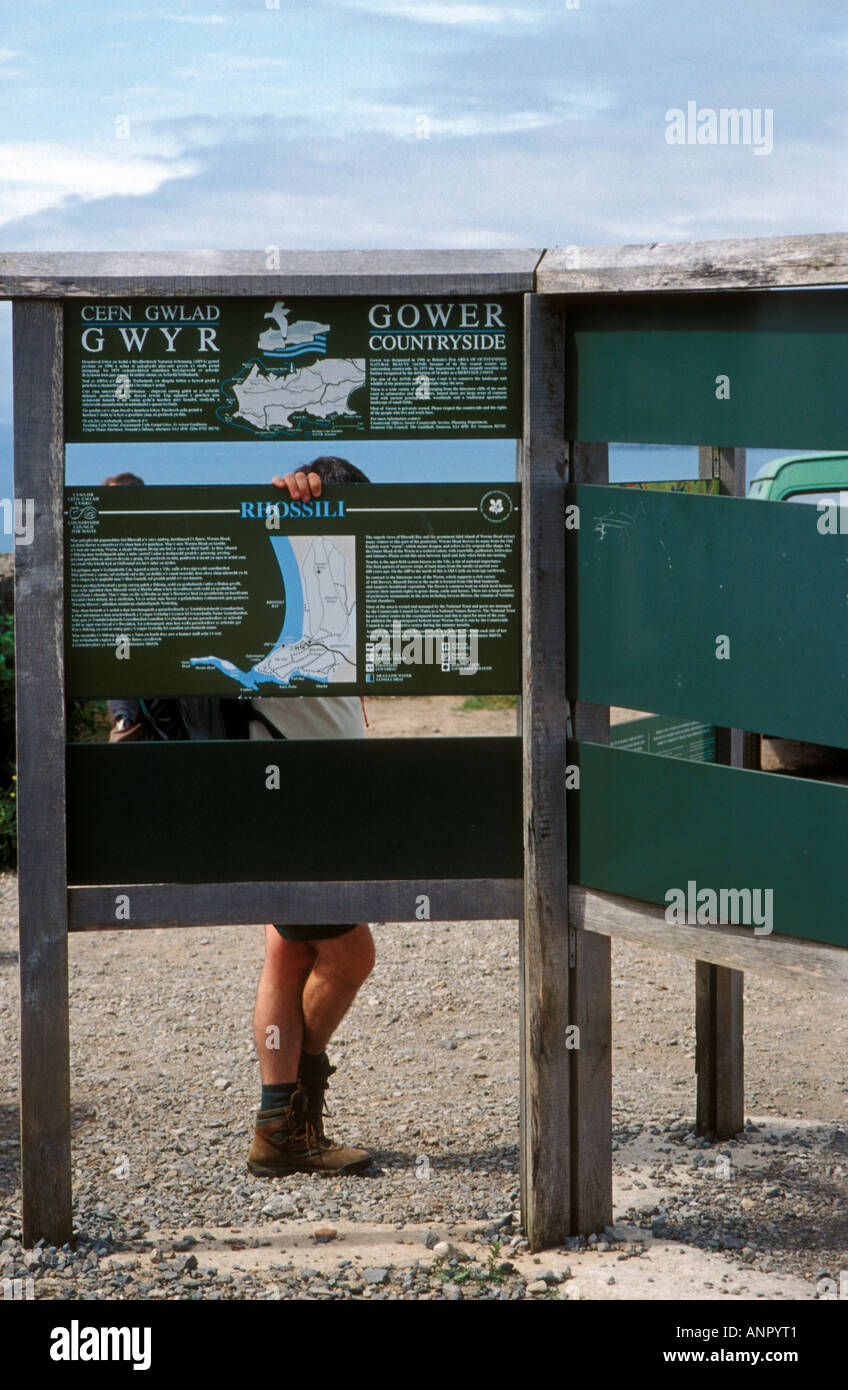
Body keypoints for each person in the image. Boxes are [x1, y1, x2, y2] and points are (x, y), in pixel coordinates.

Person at [247, 457, 376, 1177]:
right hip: (294, 789)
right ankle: (288, 1113)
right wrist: (275, 505)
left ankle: (283, 1124)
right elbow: (240, 544)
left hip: (307, 787)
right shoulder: (286, 568)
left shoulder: (341, 587)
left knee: (288, 950)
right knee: (351, 954)